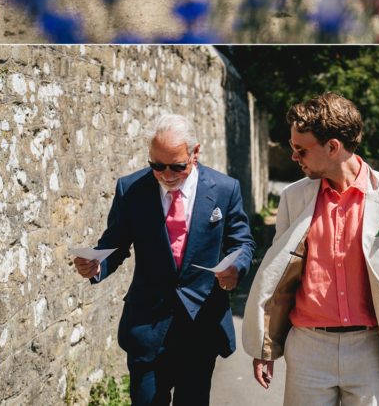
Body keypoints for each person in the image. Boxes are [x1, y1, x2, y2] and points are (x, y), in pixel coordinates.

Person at [243, 93, 379, 406]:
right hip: (308, 348)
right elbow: (280, 278)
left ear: (333, 147)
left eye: (301, 149)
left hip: (371, 349)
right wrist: (266, 349)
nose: (293, 156)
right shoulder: (294, 197)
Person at [73, 113, 254, 405]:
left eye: (176, 166)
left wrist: (237, 267)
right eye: (156, 166)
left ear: (195, 153)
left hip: (200, 325)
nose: (166, 175)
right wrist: (96, 265)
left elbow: (242, 242)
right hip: (147, 326)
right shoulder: (131, 189)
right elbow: (115, 244)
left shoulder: (224, 189)